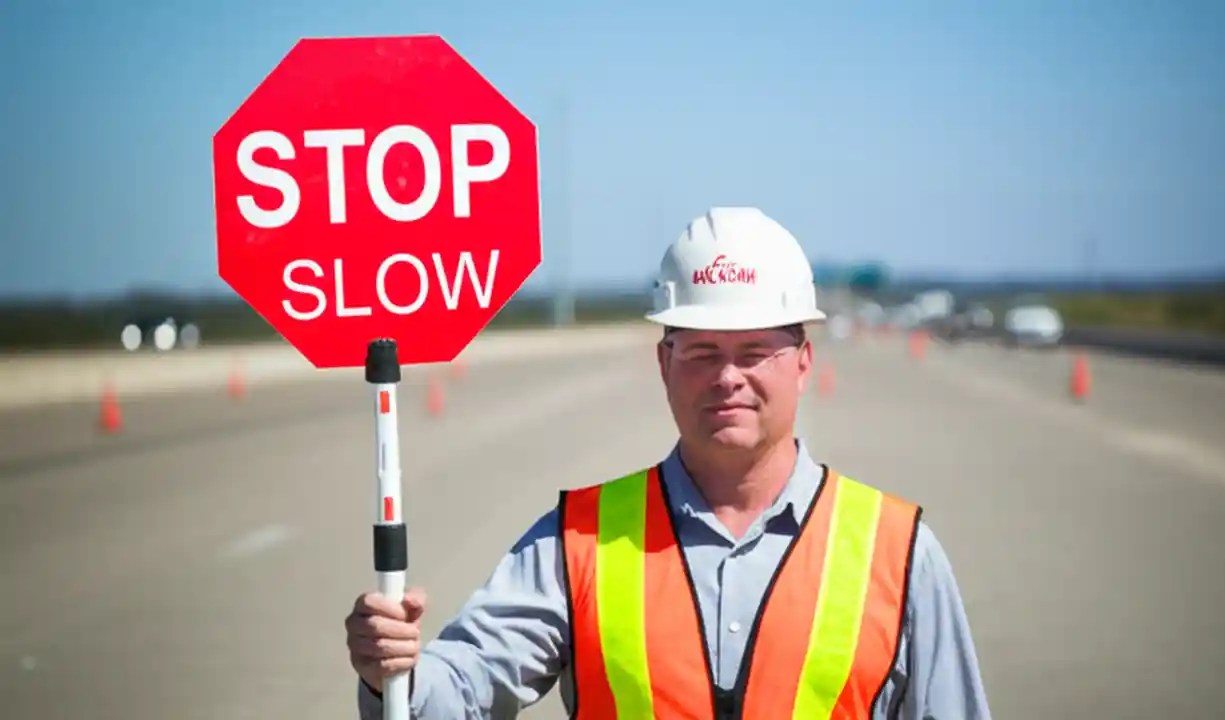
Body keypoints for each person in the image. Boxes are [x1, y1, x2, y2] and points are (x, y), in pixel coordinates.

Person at [345, 206, 991, 719]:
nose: (728, 377)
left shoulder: (900, 553)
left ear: (803, 362)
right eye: (703, 351)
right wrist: (394, 675)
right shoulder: (580, 542)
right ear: (664, 364)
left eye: (755, 350)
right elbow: (459, 693)